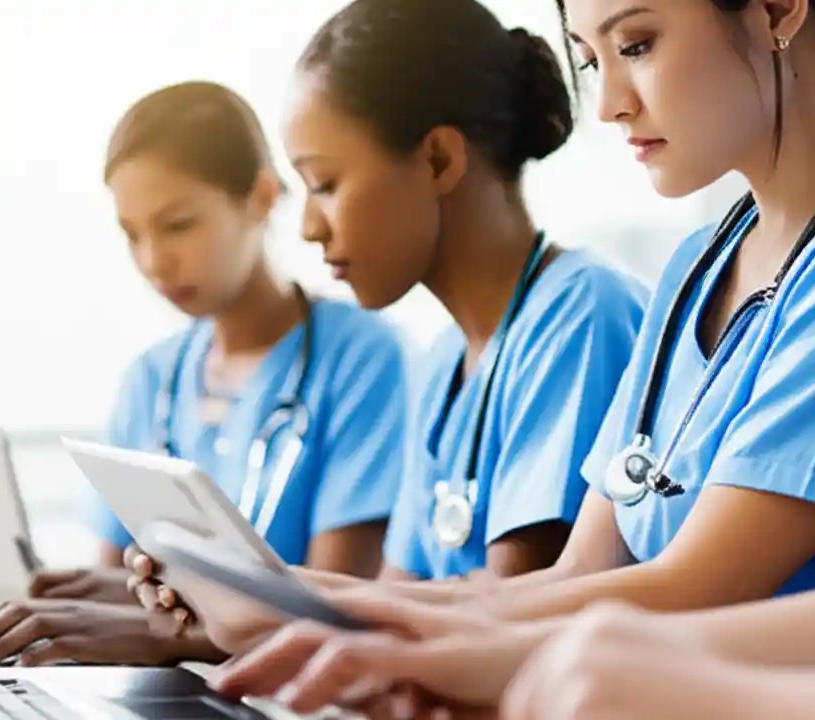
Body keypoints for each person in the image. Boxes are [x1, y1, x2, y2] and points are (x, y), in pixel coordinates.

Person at [204, 0, 815, 713]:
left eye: (638, 44)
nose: (610, 103)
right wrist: (313, 605)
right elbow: (580, 574)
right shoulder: (700, 263)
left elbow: (697, 587)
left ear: (777, 8)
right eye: (591, 61)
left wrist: (398, 637)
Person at [127, 0, 649, 643]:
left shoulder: (581, 313)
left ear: (438, 160)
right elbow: (395, 602)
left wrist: (261, 595)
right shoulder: (443, 363)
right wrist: (229, 595)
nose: (309, 227)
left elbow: (510, 610)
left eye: (325, 184)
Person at [0, 81, 408, 668]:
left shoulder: (362, 358)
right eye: (132, 234)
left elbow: (336, 608)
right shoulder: (151, 378)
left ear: (262, 197)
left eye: (177, 225)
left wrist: (165, 639)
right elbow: (112, 583)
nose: (154, 261)